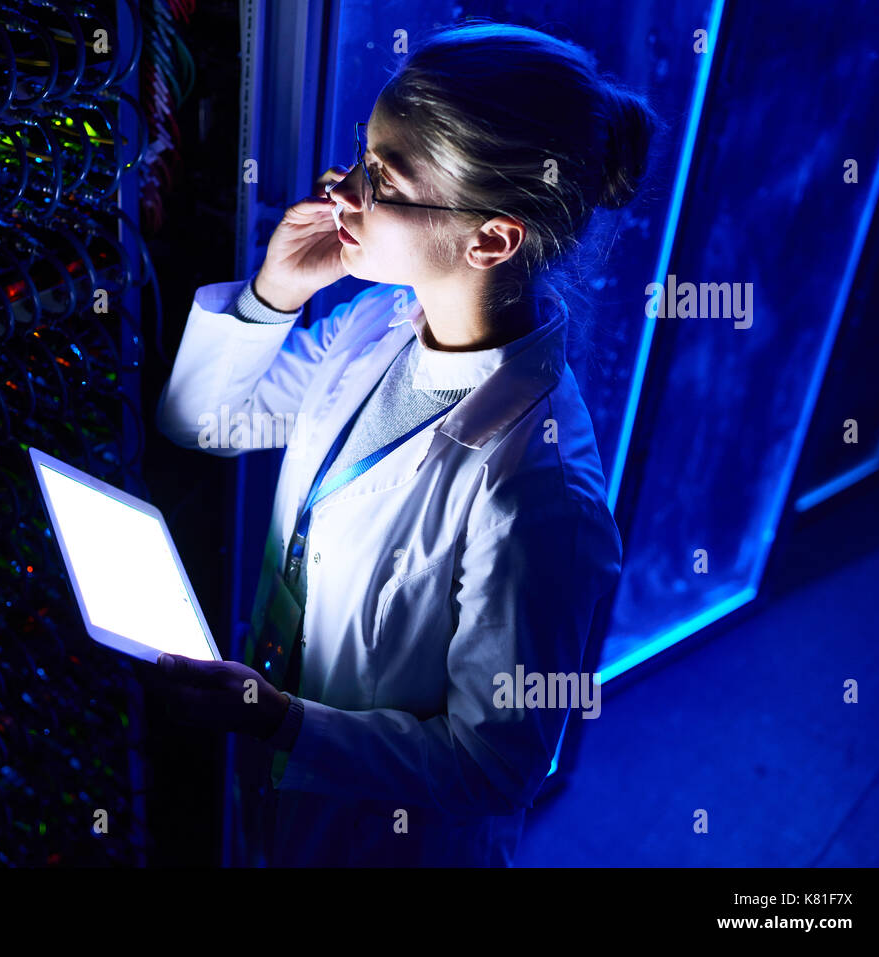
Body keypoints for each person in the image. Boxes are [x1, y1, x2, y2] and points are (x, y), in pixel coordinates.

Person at [149, 20, 659, 866]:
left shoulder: (541, 490)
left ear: (491, 237)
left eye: (379, 180)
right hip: (282, 801)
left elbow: (493, 765)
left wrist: (279, 717)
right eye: (360, 154)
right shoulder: (377, 324)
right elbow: (201, 421)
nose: (339, 191)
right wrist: (275, 292)